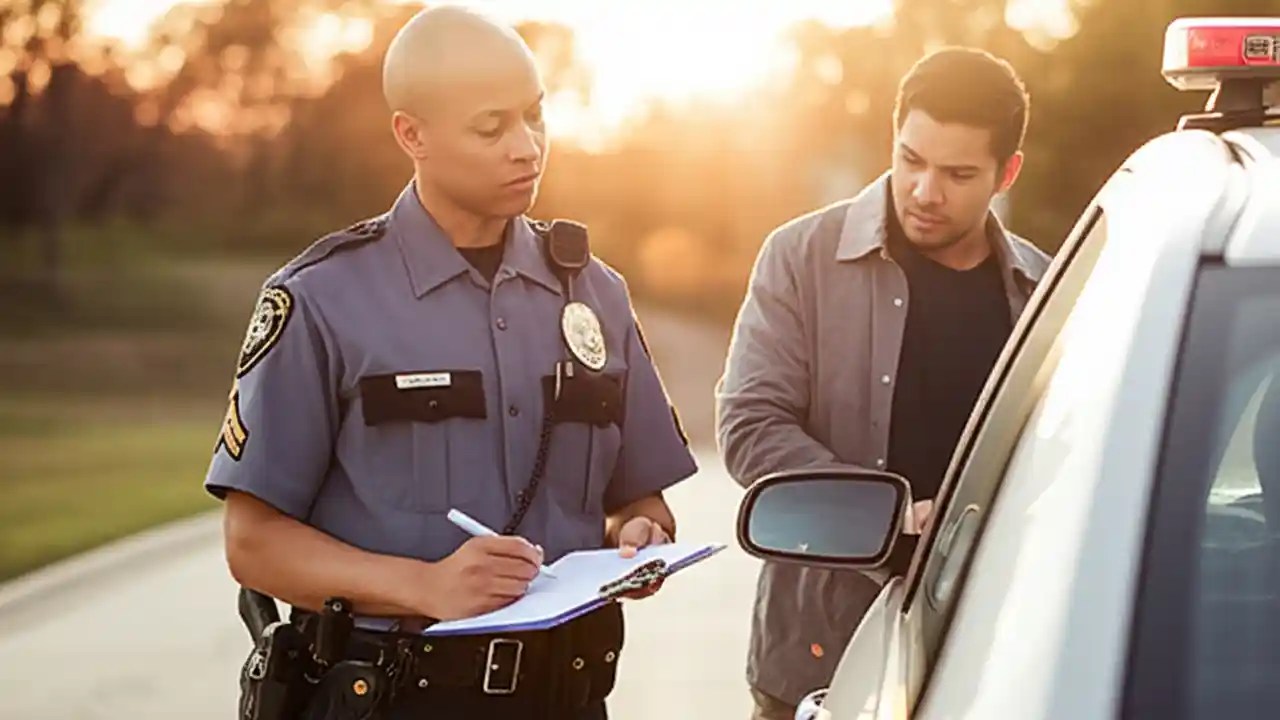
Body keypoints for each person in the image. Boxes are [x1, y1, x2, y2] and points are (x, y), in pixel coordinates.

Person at [204, 6, 697, 719]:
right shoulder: (322, 299)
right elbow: (253, 544)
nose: (526, 148)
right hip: (397, 696)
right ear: (412, 135)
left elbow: (637, 502)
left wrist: (638, 541)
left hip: (568, 696)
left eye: (535, 117)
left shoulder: (595, 293)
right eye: (491, 127)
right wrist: (424, 586)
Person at [715, 47, 1051, 720]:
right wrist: (889, 513)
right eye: (911, 159)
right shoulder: (800, 256)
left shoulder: (1042, 293)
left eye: (958, 174)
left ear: (1006, 172)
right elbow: (749, 425)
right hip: (815, 661)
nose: (926, 191)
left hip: (989, 661)